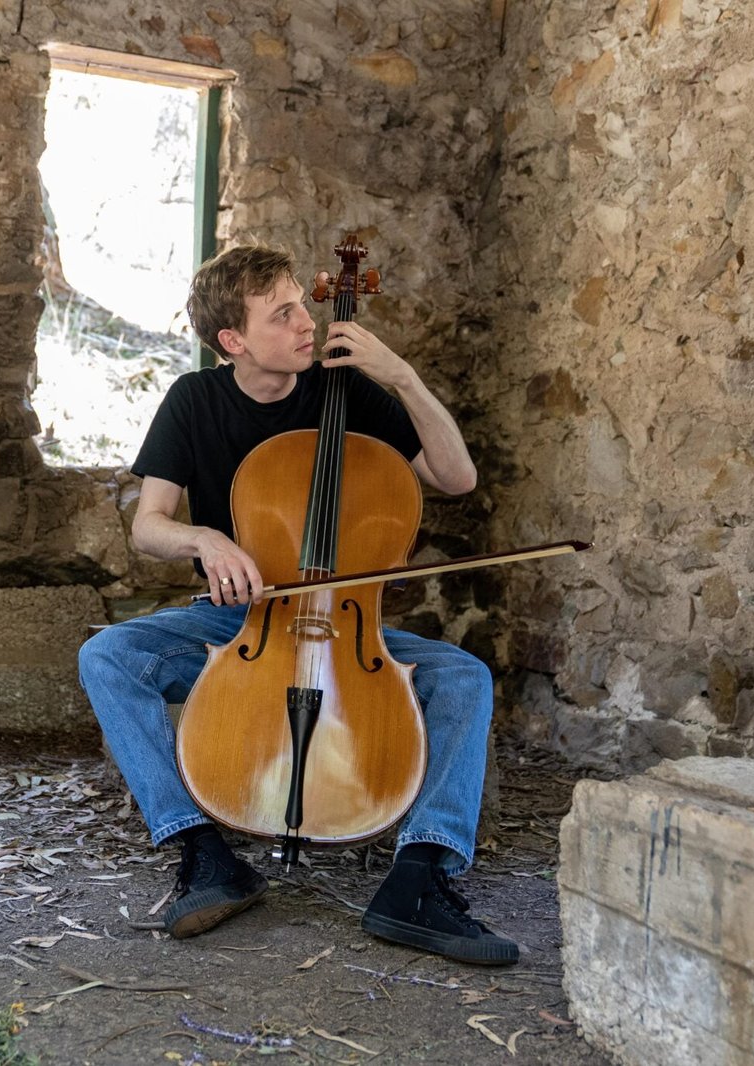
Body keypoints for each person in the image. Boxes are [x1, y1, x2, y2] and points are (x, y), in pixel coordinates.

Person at [78, 244, 517, 965]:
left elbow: (456, 476)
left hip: (350, 630)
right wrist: (207, 540)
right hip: (239, 622)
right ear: (233, 341)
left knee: (463, 676)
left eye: (303, 305)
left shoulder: (352, 393)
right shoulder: (195, 401)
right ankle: (200, 850)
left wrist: (400, 376)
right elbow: (149, 526)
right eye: (282, 314)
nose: (305, 324)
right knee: (108, 656)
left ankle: (422, 873)